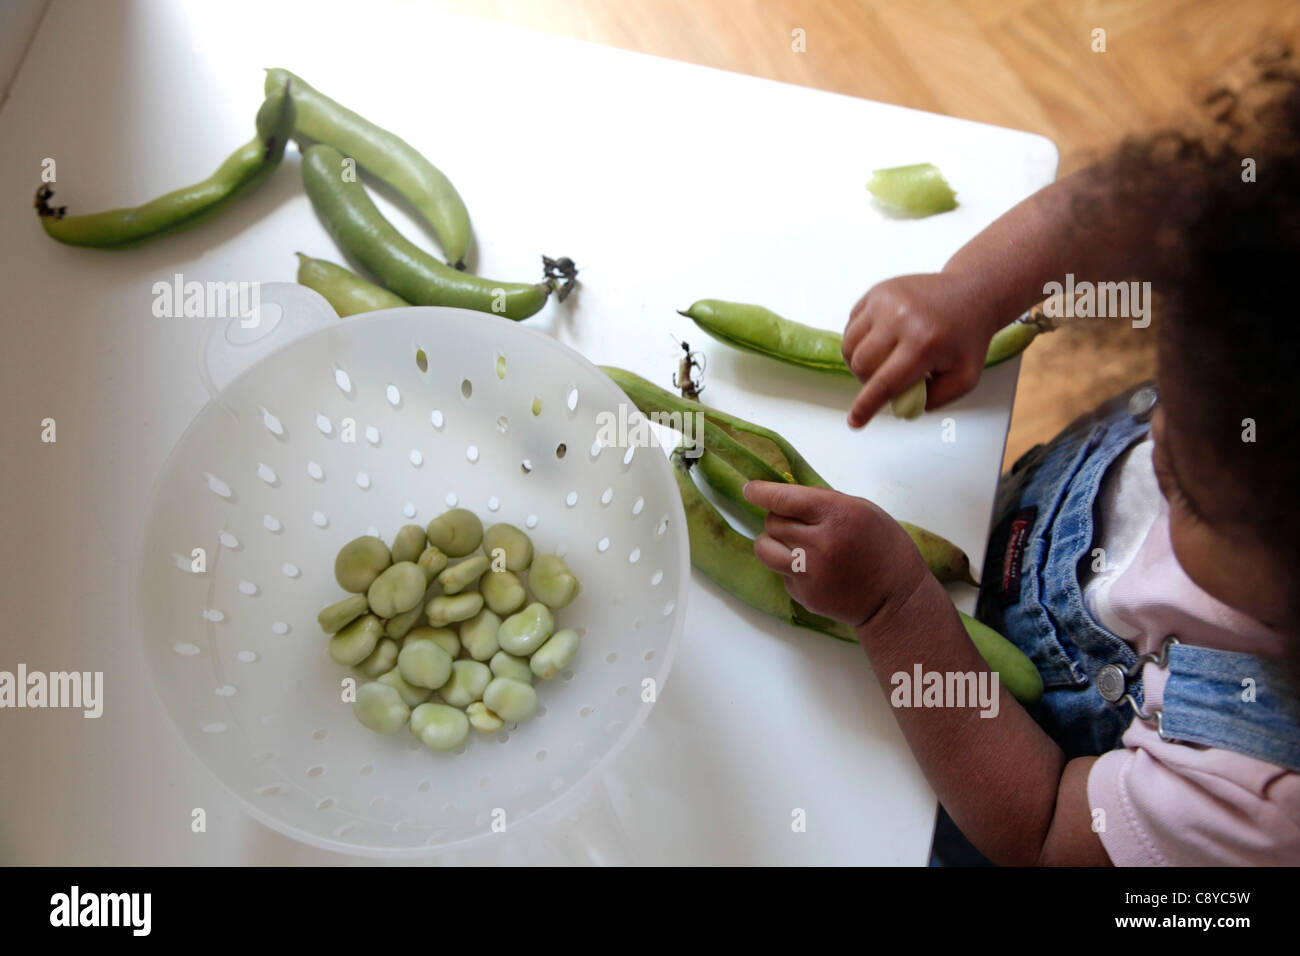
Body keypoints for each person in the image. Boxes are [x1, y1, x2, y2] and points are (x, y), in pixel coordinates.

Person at [743, 54, 1300, 865]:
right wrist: (971, 289)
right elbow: (1150, 207)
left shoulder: (1257, 793)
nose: (1158, 440)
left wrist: (895, 609)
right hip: (1000, 547)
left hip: (991, 763)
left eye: (1184, 492)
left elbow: (1043, 828)